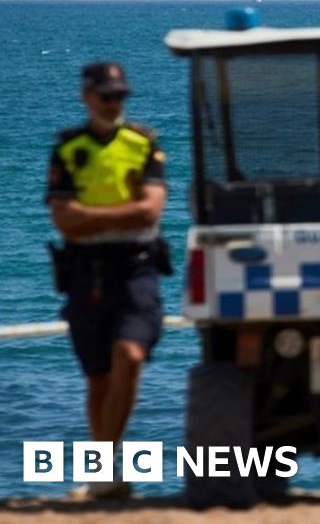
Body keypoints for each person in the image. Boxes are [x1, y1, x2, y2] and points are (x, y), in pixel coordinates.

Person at [45, 62, 170, 499]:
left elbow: (150, 211)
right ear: (87, 97)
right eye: (107, 96)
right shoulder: (68, 149)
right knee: (98, 377)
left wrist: (89, 217)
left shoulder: (142, 144)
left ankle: (105, 466)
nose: (115, 104)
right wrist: (117, 214)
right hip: (86, 273)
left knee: (130, 355)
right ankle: (105, 473)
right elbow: (65, 223)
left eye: (121, 96)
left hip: (136, 269)